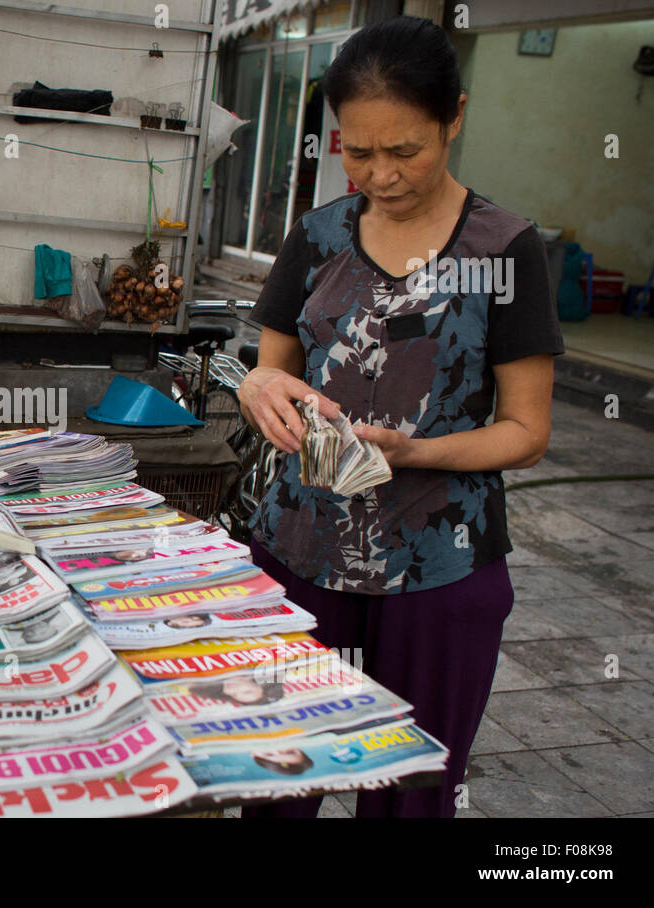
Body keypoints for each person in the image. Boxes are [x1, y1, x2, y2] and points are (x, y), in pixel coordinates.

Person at [235, 16, 563, 819]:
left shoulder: (505, 248)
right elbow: (267, 371)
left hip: (440, 566)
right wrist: (258, 391)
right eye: (358, 150)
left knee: (411, 795)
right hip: (297, 552)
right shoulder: (314, 238)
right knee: (278, 779)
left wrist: (412, 450)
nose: (380, 175)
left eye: (406, 150)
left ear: (454, 116)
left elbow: (526, 430)